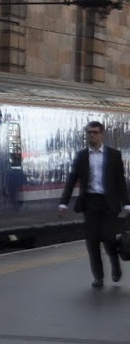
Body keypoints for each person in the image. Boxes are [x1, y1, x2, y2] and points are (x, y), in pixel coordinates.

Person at [57, 120, 130, 288]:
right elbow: (71, 180)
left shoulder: (114, 155)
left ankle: (115, 266)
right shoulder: (81, 156)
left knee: (108, 238)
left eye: (95, 132)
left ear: (101, 134)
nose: (92, 135)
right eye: (89, 132)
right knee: (92, 241)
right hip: (90, 203)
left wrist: (127, 204)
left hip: (108, 203)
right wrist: (63, 203)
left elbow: (120, 182)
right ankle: (98, 277)